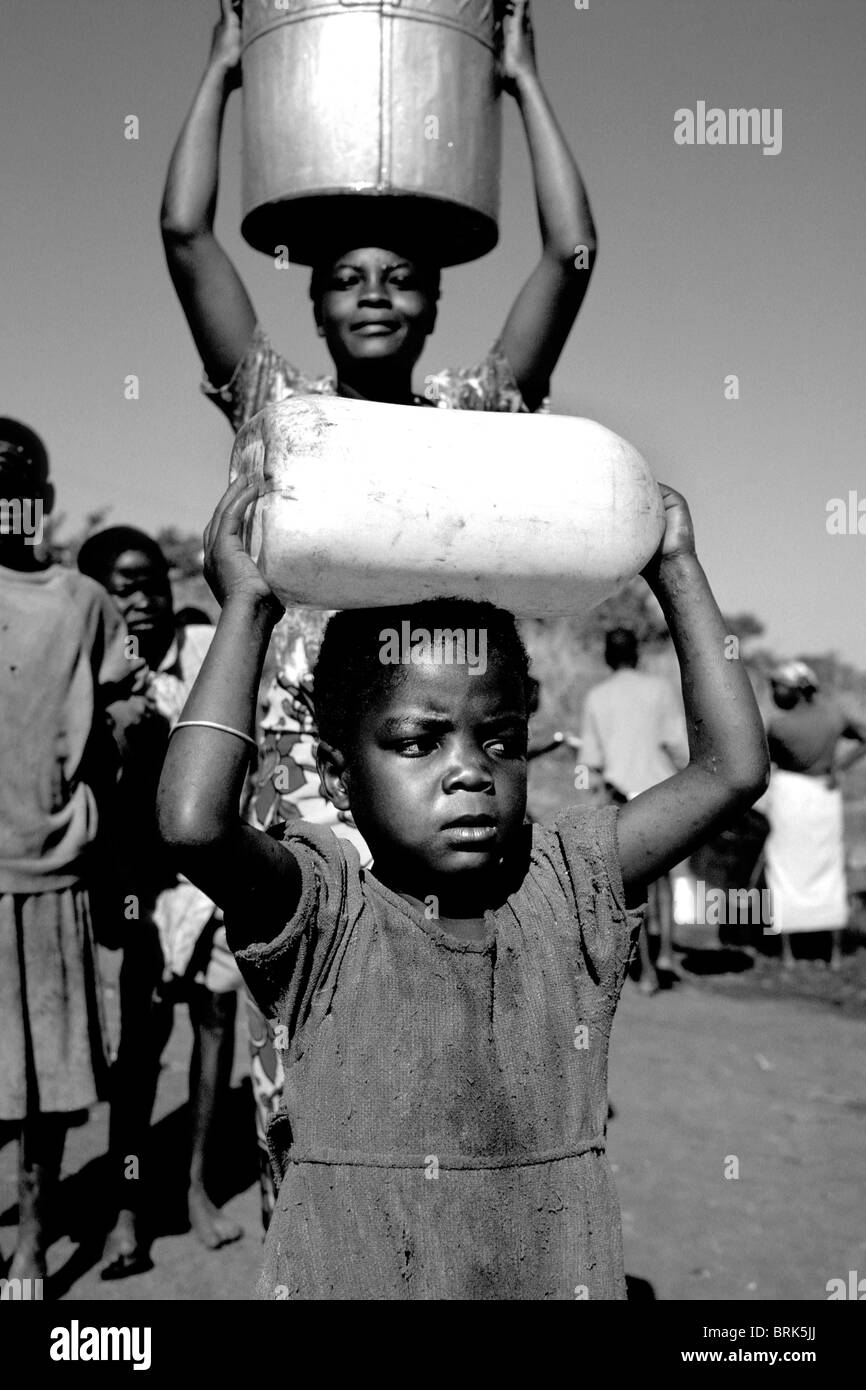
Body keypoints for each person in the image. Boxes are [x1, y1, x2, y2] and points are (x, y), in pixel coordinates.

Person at [161, 0, 598, 1224]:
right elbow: (184, 229)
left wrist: (515, 82)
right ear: (311, 305)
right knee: (318, 1094)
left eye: (400, 281)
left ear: (430, 305)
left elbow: (567, 260)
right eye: (346, 281)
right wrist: (222, 76)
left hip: (433, 797)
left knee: (455, 1085)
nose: (373, 298)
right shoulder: (280, 419)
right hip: (310, 821)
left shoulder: (469, 417)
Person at [156, 478, 769, 1299]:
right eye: (419, 742)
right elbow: (195, 822)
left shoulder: (567, 884)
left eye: (502, 740)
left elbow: (731, 771)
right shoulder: (324, 911)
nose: (470, 771)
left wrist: (677, 569)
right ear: (338, 774)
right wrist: (249, 608)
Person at [0, 423, 151, 1285]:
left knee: (42, 1086)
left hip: (52, 866)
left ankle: (31, 1237)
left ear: (45, 499)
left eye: (18, 479)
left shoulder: (81, 601)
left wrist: (108, 756)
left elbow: (124, 714)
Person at [76, 528, 242, 1276]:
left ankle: (197, 1182)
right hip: (141, 884)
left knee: (215, 1023)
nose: (138, 599)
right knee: (140, 1050)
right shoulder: (93, 669)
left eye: (149, 583)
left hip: (214, 876)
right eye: (119, 587)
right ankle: (127, 1206)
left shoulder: (211, 651)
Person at [579, 628, 689, 992]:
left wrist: (588, 794)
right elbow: (676, 743)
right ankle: (667, 954)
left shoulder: (597, 697)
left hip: (622, 798)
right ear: (637, 655)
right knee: (666, 879)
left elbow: (591, 761)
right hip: (660, 792)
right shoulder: (659, 689)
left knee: (634, 886)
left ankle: (645, 971)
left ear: (608, 658)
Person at [762, 661, 866, 970]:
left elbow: (766, 761)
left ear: (795, 690)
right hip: (825, 795)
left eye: (778, 686)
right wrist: (840, 767)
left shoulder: (780, 726)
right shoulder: (834, 716)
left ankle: (788, 954)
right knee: (826, 867)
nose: (774, 692)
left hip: (790, 797)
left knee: (784, 868)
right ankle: (832, 953)